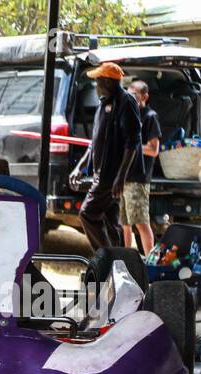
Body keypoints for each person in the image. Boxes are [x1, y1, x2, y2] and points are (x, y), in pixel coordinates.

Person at [75, 63, 140, 252]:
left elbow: (132, 142)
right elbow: (94, 141)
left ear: (108, 82)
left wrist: (121, 176)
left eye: (98, 82)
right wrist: (81, 165)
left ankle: (106, 257)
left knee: (87, 213)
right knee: (113, 222)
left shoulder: (126, 102)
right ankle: (119, 263)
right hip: (100, 173)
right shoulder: (104, 104)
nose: (96, 86)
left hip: (110, 176)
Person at [120, 79, 162, 253]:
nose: (131, 97)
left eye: (135, 94)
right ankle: (125, 258)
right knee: (124, 223)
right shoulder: (129, 115)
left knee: (141, 222)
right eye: (129, 94)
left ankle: (150, 262)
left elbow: (154, 149)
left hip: (139, 178)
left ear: (145, 96)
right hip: (123, 177)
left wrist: (132, 146)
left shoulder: (150, 117)